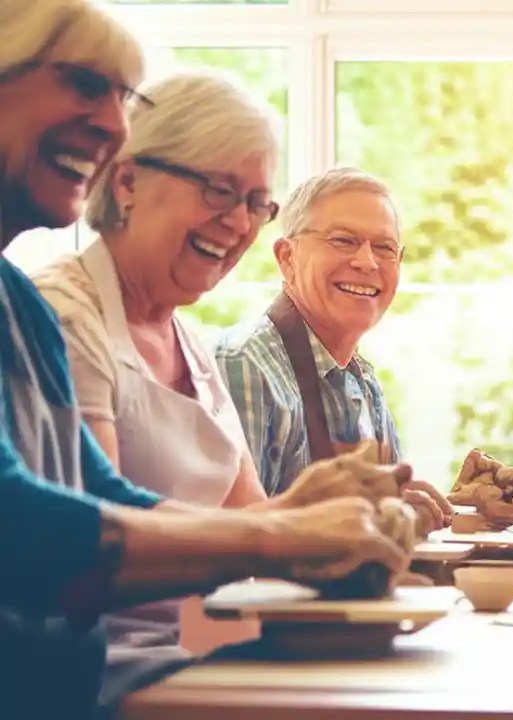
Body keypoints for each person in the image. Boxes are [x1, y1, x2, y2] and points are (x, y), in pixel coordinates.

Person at [0, 2, 415, 714]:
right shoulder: (63, 308)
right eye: (81, 83)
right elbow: (41, 534)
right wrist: (283, 534)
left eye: (256, 202)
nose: (110, 124)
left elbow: (120, 503)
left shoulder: (22, 304)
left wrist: (307, 520)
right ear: (126, 184)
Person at [213, 167, 513, 526]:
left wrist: (465, 511)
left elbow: (372, 536)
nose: (367, 262)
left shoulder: (362, 384)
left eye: (384, 247)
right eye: (343, 240)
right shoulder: (244, 366)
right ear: (286, 258)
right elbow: (231, 539)